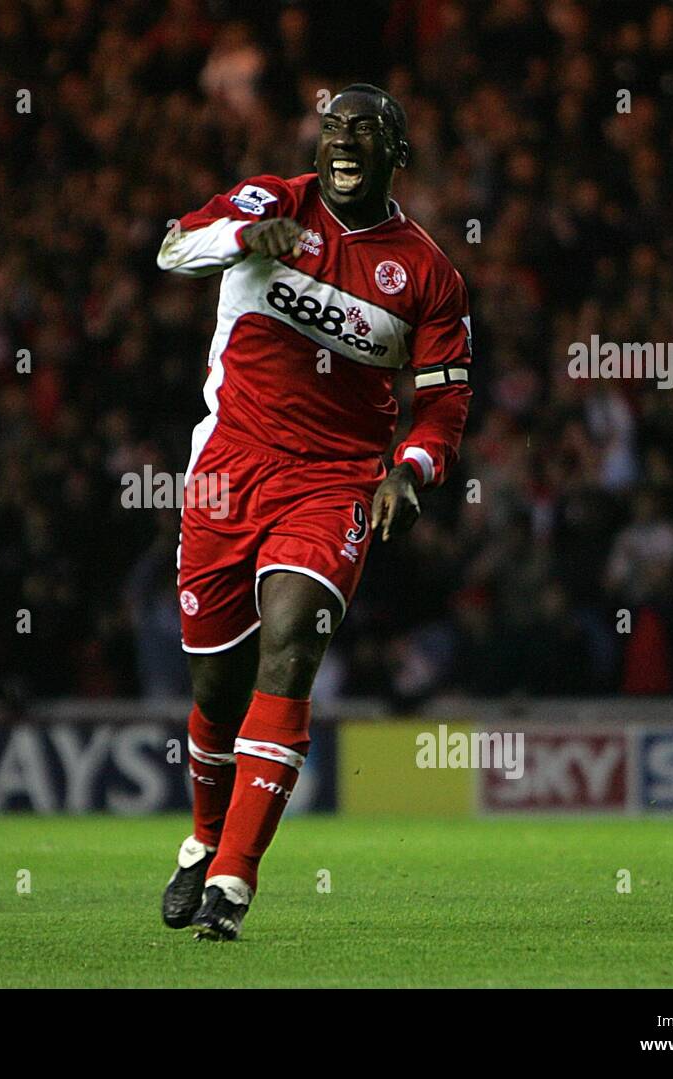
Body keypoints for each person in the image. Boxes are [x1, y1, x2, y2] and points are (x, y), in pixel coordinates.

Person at [156, 84, 474, 939]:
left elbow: (445, 399)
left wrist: (409, 468)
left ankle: (233, 880)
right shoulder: (272, 200)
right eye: (333, 128)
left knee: (290, 647)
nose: (343, 142)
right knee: (215, 686)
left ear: (394, 153)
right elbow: (172, 249)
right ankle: (203, 834)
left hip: (335, 481)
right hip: (227, 468)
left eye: (364, 131)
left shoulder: (430, 273)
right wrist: (238, 237)